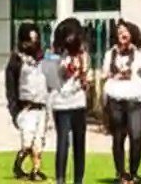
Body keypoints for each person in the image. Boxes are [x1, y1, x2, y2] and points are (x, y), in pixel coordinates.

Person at [101, 20, 141, 184]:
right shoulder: (110, 54)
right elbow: (104, 73)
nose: (122, 34)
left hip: (135, 100)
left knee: (137, 136)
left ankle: (133, 173)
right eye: (119, 32)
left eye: (125, 31)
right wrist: (113, 75)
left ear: (132, 34)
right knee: (118, 137)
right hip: (116, 99)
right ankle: (120, 173)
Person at [51, 17, 90, 184]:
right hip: (61, 103)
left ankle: (78, 179)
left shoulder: (83, 55)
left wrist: (83, 73)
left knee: (79, 143)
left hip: (78, 102)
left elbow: (85, 77)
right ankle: (60, 179)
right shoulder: (57, 57)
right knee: (63, 142)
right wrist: (68, 64)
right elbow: (60, 74)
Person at [5, 22, 42, 179]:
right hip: (25, 106)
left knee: (38, 141)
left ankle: (36, 170)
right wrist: (14, 109)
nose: (32, 44)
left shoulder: (41, 59)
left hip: (41, 104)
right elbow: (11, 88)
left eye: (35, 40)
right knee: (27, 141)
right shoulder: (16, 61)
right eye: (29, 41)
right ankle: (18, 166)